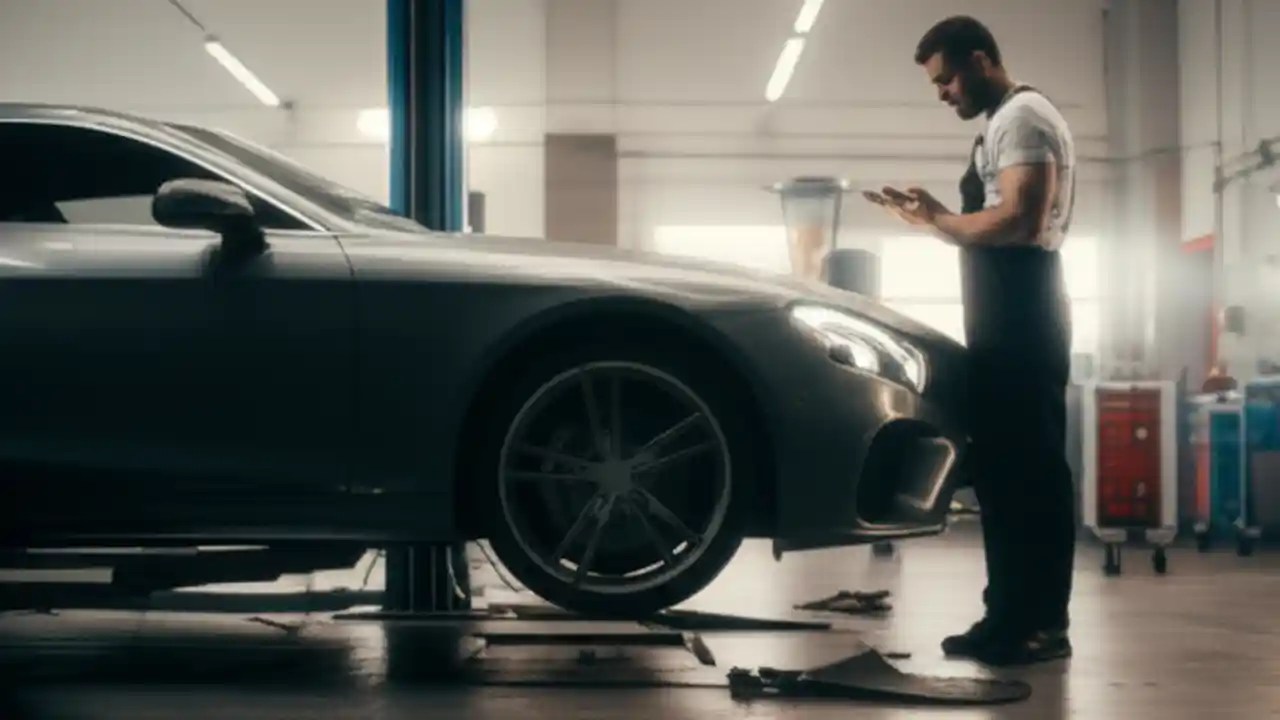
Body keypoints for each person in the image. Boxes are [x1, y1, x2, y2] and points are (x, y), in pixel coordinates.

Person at [866, 15, 1077, 666]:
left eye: (948, 78)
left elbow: (1020, 219)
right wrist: (932, 219)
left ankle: (1038, 624)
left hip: (1024, 314)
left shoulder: (1024, 118)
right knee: (1007, 474)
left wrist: (940, 219)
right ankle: (1008, 616)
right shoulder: (1002, 125)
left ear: (982, 60)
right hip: (1004, 316)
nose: (943, 93)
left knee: (1030, 474)